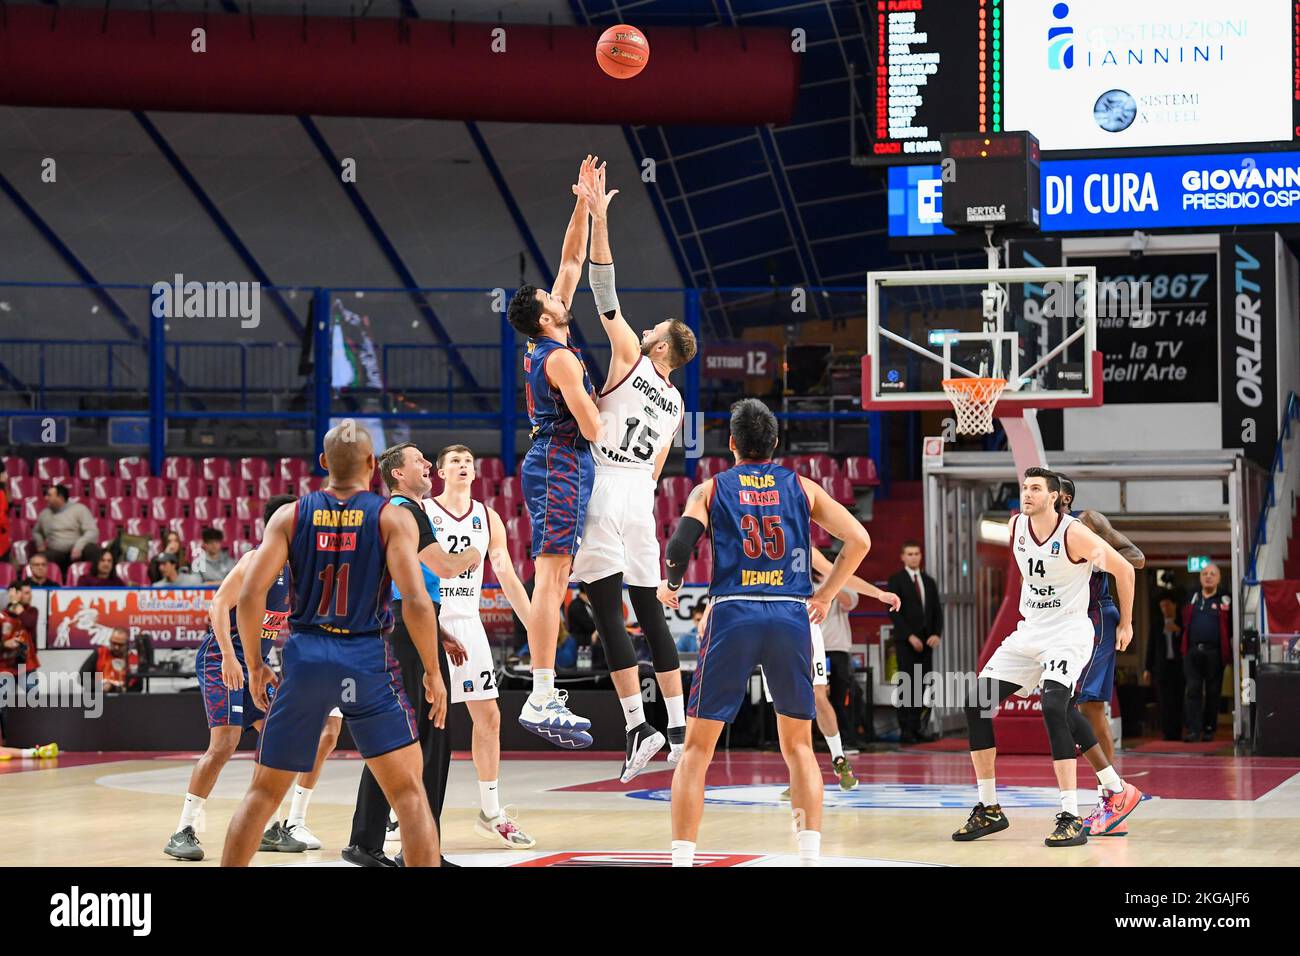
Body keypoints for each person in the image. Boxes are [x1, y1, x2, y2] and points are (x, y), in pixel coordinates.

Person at [220, 421, 447, 868]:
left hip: (306, 657)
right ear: (370, 464)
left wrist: (254, 665)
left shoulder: (290, 516)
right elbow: (418, 603)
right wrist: (433, 672)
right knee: (408, 795)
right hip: (365, 657)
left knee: (263, 793)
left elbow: (249, 596)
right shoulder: (390, 518)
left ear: (323, 463)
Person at [657, 399, 871, 868]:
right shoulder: (803, 486)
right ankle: (810, 857)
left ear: (731, 444)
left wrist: (671, 585)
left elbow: (677, 548)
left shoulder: (711, 489)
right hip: (790, 614)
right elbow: (860, 540)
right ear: (774, 444)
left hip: (733, 612)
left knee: (697, 750)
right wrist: (827, 595)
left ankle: (682, 860)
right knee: (798, 745)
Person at [569, 161, 698, 781]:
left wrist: (600, 219)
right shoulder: (675, 403)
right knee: (651, 612)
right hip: (642, 499)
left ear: (662, 349)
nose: (642, 329)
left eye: (654, 331)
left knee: (603, 606)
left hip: (603, 482)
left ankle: (636, 726)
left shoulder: (630, 356)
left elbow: (602, 288)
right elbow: (654, 474)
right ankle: (677, 727)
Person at [952, 468, 1142, 848]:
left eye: (1036, 488)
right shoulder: (1015, 526)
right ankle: (989, 808)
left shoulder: (1075, 531)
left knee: (1057, 707)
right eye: (1024, 487)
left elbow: (1127, 566)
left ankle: (1070, 814)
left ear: (1055, 496)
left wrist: (1127, 624)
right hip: (1031, 631)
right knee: (976, 701)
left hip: (1069, 631)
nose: (1027, 493)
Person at [344, 440, 481, 868]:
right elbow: (442, 567)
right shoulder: (406, 511)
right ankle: (419, 851)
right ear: (398, 474)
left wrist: (437, 631)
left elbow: (406, 587)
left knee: (404, 739)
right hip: (405, 632)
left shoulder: (397, 513)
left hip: (409, 626)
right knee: (430, 740)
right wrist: (474, 553)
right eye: (420, 460)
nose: (428, 464)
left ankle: (372, 842)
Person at [507, 155, 603, 749]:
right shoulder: (561, 357)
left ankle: (547, 687)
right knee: (551, 579)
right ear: (547, 315)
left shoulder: (549, 341)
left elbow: (571, 258)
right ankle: (541, 692)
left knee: (559, 575)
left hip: (556, 461)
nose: (558, 288)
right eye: (552, 295)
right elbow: (592, 429)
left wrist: (583, 205)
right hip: (562, 460)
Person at [164, 495, 309, 861]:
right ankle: (184, 829)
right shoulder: (254, 560)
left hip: (257, 663)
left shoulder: (299, 570)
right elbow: (217, 605)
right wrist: (230, 656)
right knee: (225, 744)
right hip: (222, 657)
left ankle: (268, 827)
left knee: (280, 740)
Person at [425, 444, 537, 848]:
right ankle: (400, 811)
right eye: (454, 460)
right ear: (439, 471)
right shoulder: (423, 511)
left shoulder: (487, 516)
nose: (462, 466)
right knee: (419, 723)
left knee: (488, 718)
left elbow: (505, 573)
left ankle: (491, 812)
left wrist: (532, 626)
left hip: (469, 624)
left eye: (468, 461)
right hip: (431, 623)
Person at [1055, 476, 1146, 836]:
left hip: (1098, 617)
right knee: (1080, 708)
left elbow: (1135, 558)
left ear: (1061, 496)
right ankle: (1110, 792)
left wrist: (1097, 559)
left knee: (1087, 705)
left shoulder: (1087, 522)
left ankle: (1111, 793)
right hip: (1066, 622)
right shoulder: (1040, 532)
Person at [770, 551, 899, 794]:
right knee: (783, 704)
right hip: (771, 626)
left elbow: (840, 572)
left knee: (818, 696)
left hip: (803, 624)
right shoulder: (750, 536)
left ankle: (839, 759)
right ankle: (799, 773)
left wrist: (878, 593)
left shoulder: (800, 541)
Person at [887, 541, 943, 743]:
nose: (914, 557)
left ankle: (917, 727)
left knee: (922, 684)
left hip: (926, 642)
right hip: (906, 642)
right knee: (906, 685)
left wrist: (936, 633)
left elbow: (936, 610)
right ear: (902, 556)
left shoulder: (928, 581)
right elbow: (893, 613)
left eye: (917, 553)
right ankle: (906, 729)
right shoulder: (896, 580)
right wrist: (909, 636)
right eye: (909, 554)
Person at [1181, 563, 1230, 743]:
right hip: (1193, 652)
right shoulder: (1192, 597)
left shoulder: (1225, 599)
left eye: (1212, 574)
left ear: (1218, 578)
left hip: (1215, 653)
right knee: (1192, 690)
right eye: (1204, 574)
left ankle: (1209, 728)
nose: (1208, 576)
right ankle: (1193, 730)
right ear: (1200, 578)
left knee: (1213, 692)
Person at [1144, 591, 1185, 742]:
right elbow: (1151, 647)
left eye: (1167, 605)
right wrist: (1147, 668)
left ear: (1174, 605)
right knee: (1164, 700)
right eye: (1162, 606)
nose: (1165, 608)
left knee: (1178, 699)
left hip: (1178, 666)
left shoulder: (1181, 621)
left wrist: (1178, 631)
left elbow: (1187, 641)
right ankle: (1167, 732)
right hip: (1161, 667)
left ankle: (1178, 731)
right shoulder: (1157, 623)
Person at [32, 483, 98, 571]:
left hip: (78, 549)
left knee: (94, 551)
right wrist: (40, 543)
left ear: (61, 498)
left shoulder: (80, 509)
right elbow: (36, 531)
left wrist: (79, 546)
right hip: (56, 552)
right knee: (40, 559)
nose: (45, 498)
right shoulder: (44, 514)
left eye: (49, 495)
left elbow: (92, 531)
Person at [81, 627, 142, 694]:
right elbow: (82, 677)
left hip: (124, 699)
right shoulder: (100, 653)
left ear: (127, 644)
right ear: (110, 641)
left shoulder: (132, 659)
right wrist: (100, 686)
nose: (116, 647)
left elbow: (139, 686)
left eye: (120, 645)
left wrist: (122, 690)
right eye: (114, 643)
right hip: (99, 697)